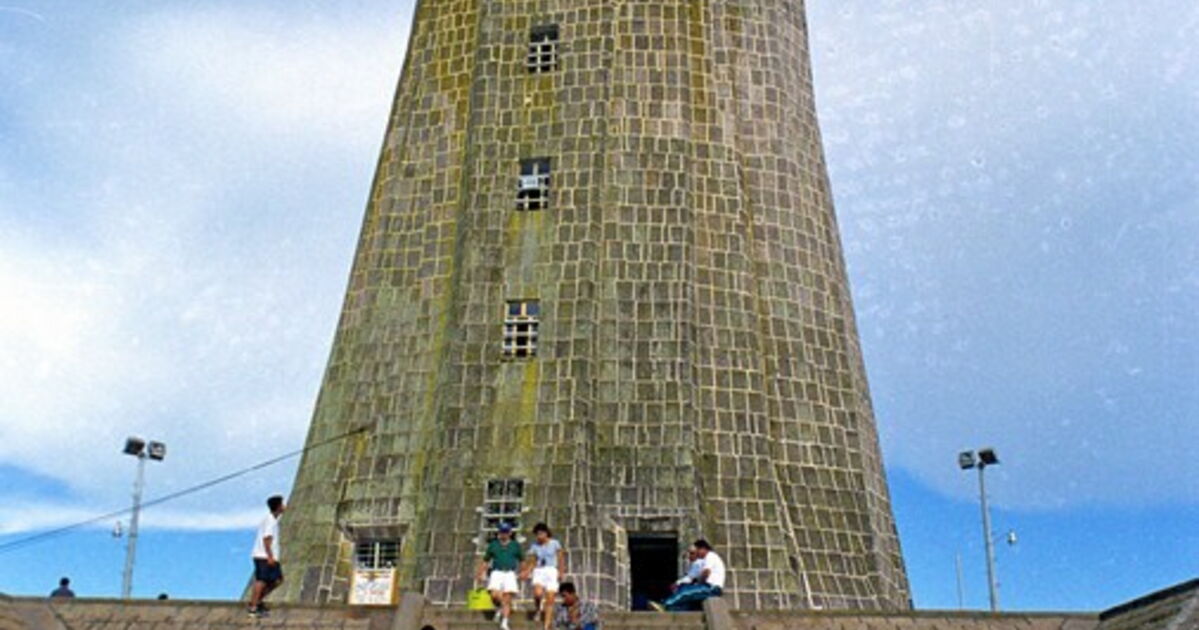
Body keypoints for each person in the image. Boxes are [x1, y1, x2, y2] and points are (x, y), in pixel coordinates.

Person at [652, 539, 725, 611]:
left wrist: (700, 583)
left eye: (697, 551)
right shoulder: (703, 561)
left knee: (685, 592)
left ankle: (665, 605)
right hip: (708, 587)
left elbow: (706, 572)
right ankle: (670, 608)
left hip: (712, 588)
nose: (697, 554)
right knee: (685, 591)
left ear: (703, 549)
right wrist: (678, 583)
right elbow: (691, 576)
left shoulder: (710, 556)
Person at [475, 522, 523, 630]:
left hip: (509, 572)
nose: (504, 534)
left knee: (507, 597)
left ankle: (505, 622)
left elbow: (522, 560)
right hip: (497, 572)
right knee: (494, 595)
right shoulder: (494, 545)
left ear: (510, 533)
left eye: (506, 532)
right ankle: (502, 607)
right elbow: (486, 560)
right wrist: (480, 573)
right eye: (502, 532)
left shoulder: (515, 545)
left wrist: (523, 572)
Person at [520, 523, 566, 630]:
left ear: (546, 533)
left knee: (550, 598)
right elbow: (532, 561)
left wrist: (561, 571)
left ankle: (546, 625)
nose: (539, 536)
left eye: (541, 533)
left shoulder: (555, 543)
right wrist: (527, 571)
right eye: (537, 534)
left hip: (551, 570)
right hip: (539, 570)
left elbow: (561, 558)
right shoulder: (534, 546)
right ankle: (538, 608)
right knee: (538, 593)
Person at [248, 495, 286, 618]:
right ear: (278, 507)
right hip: (264, 556)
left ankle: (257, 601)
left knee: (277, 580)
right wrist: (269, 556)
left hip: (268, 556)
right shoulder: (270, 521)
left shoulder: (272, 520)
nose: (284, 506)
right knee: (262, 580)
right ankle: (253, 608)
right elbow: (267, 539)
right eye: (282, 504)